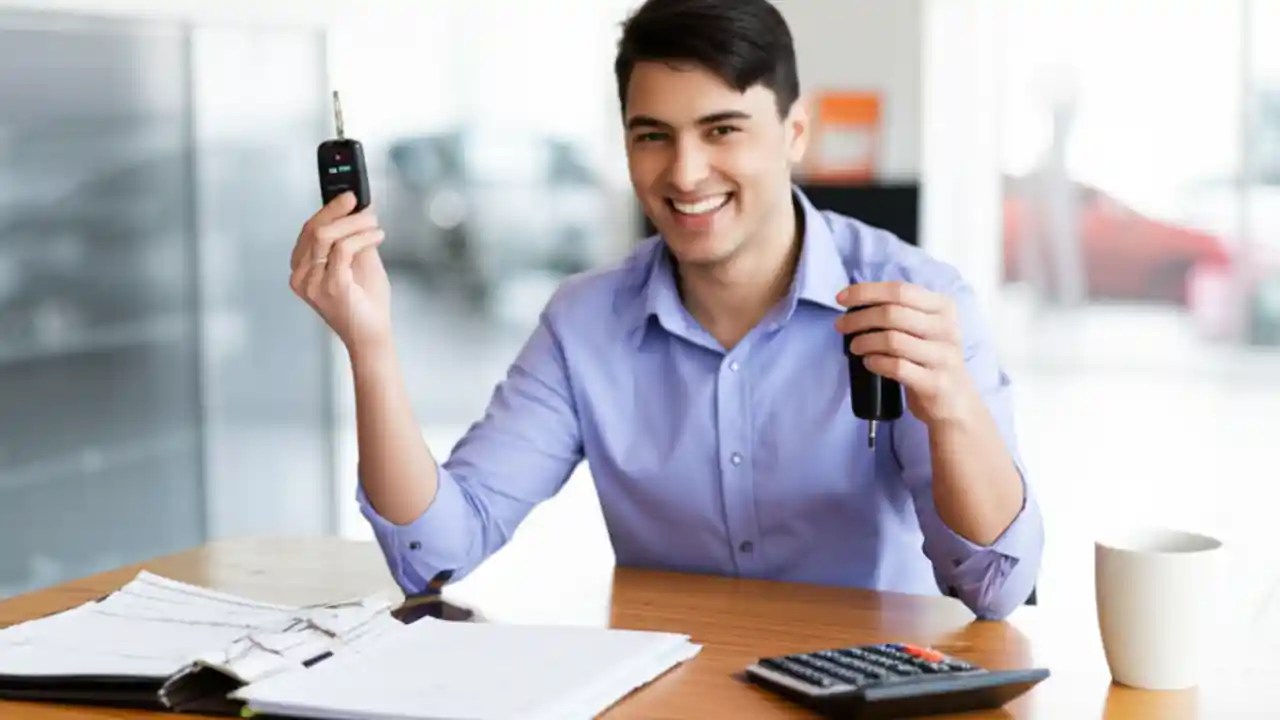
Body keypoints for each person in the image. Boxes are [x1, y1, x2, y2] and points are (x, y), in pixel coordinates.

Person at [288, 0, 1043, 620]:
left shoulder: (916, 300)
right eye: (653, 136)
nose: (684, 173)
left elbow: (995, 588)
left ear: (795, 134)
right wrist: (371, 344)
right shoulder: (584, 325)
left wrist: (952, 412)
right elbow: (437, 553)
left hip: (870, 695)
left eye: (721, 130)